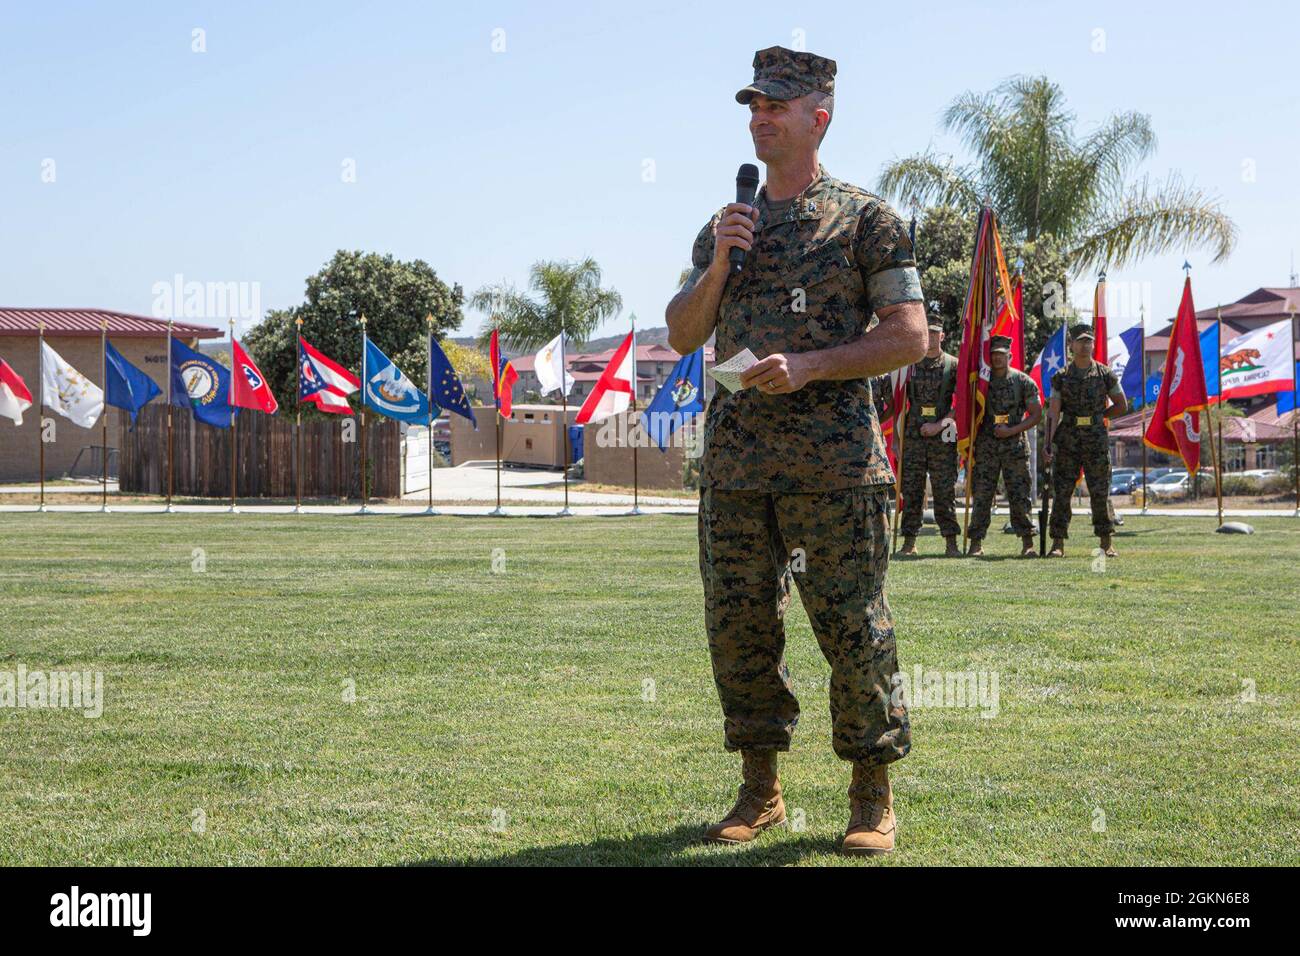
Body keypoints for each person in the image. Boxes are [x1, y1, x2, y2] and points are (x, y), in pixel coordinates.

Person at [664, 46, 926, 855]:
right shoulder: (724, 223)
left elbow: (910, 335)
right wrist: (719, 264)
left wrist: (810, 365)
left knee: (853, 629)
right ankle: (760, 789)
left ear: (821, 114)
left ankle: (870, 795)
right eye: (753, 104)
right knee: (737, 627)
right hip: (738, 469)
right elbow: (682, 332)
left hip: (835, 470)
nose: (759, 117)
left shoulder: (865, 218)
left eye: (776, 104)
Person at [1045, 323, 1127, 557]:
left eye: (1089, 341)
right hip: (1068, 439)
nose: (1085, 345)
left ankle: (1105, 542)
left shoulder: (1105, 374)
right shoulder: (1060, 377)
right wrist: (1047, 444)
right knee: (1062, 492)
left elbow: (1122, 405)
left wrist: (1100, 417)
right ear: (1071, 345)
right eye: (1080, 341)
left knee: (1100, 491)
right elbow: (1053, 412)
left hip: (1096, 441)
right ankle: (1058, 543)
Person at [966, 334, 1042, 556]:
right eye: (994, 355)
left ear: (1010, 355)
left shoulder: (1023, 381)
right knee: (982, 495)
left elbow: (1036, 414)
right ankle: (976, 543)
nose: (997, 359)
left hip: (1015, 447)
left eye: (1002, 355)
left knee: (1020, 494)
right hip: (987, 447)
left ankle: (1028, 543)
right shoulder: (981, 383)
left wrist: (1011, 430)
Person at [898, 316, 959, 557]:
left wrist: (939, 426)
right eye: (928, 332)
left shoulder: (952, 365)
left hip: (942, 436)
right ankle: (909, 542)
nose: (932, 337)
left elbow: (960, 405)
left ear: (942, 336)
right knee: (912, 489)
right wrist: (896, 440)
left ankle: (951, 542)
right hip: (914, 435)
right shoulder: (909, 364)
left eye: (936, 333)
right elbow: (900, 402)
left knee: (944, 490)